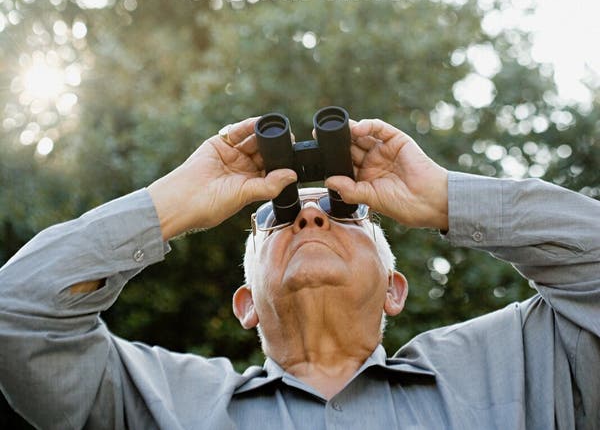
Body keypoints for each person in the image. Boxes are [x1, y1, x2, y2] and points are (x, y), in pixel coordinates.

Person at [0, 116, 599, 429]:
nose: (310, 221)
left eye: (346, 213)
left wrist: (443, 195)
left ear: (395, 289)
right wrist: (172, 202)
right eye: (277, 217)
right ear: (247, 304)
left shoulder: (514, 373)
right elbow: (17, 316)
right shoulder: (165, 406)